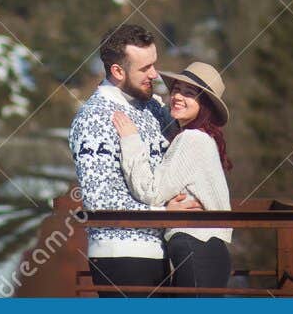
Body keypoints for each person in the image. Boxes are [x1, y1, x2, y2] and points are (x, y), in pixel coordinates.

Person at [68, 24, 199, 295]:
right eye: (145, 68)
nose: (155, 74)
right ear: (118, 71)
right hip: (121, 255)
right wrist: (165, 213)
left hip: (161, 250)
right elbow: (100, 200)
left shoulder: (153, 107)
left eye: (154, 64)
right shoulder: (94, 117)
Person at [112, 61, 233, 291]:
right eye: (177, 89)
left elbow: (151, 192)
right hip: (202, 248)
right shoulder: (198, 137)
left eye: (189, 93)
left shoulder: (192, 139)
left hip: (197, 247)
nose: (178, 96)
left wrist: (130, 140)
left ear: (205, 105)